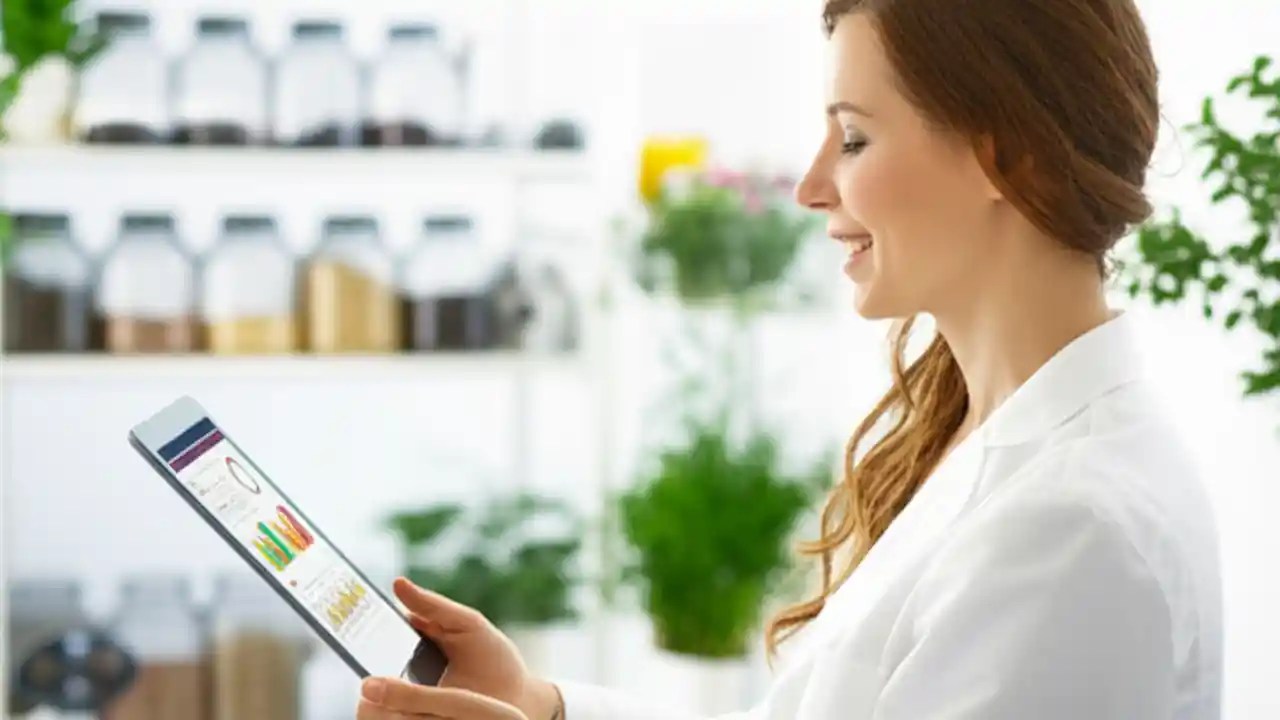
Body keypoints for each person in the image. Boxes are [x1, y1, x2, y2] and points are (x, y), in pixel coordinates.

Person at [355, 0, 1223, 717]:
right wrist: (544, 706)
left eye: (853, 139)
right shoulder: (991, 443)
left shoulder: (1074, 528)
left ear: (1009, 156)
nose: (811, 187)